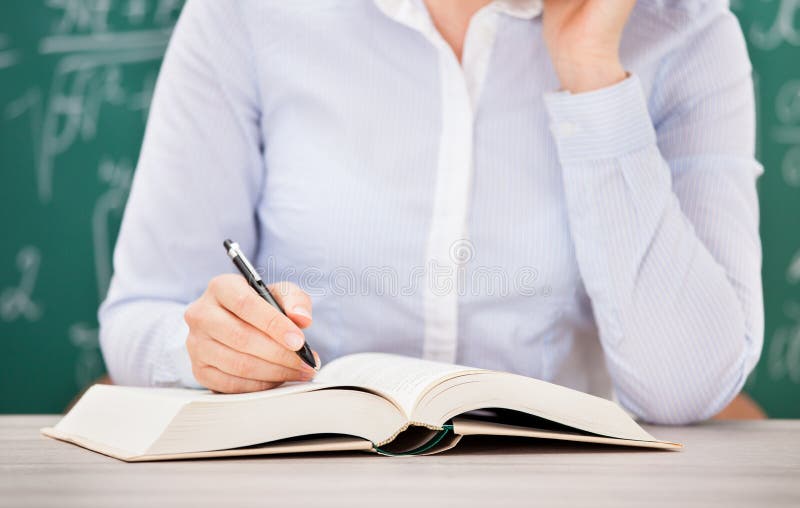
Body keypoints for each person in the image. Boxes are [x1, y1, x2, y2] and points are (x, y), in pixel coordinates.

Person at [99, 0, 764, 425]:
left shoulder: (687, 32)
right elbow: (143, 310)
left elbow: (686, 388)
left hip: (571, 504)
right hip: (296, 491)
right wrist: (205, 349)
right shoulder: (247, 16)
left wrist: (591, 71)